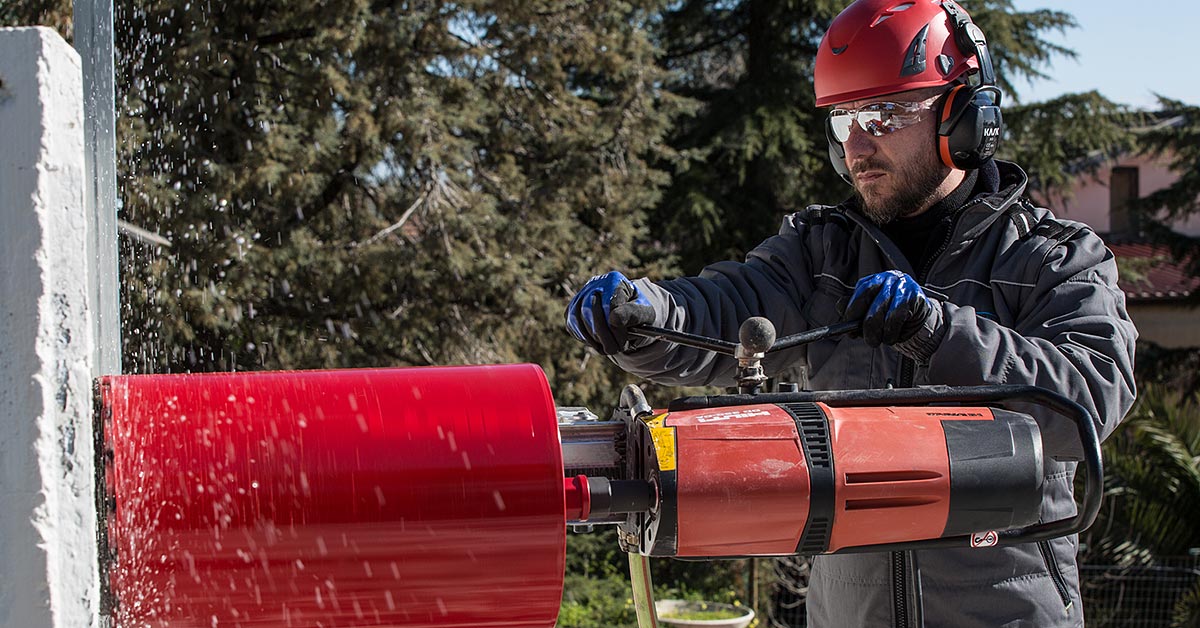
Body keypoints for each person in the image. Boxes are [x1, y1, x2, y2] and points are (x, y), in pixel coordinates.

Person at [564, 0, 1137, 626]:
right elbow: (729, 310)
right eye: (844, 119)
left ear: (962, 117)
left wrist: (937, 332)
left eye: (884, 115)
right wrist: (644, 315)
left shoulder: (1051, 258)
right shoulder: (823, 253)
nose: (857, 145)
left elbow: (1088, 399)